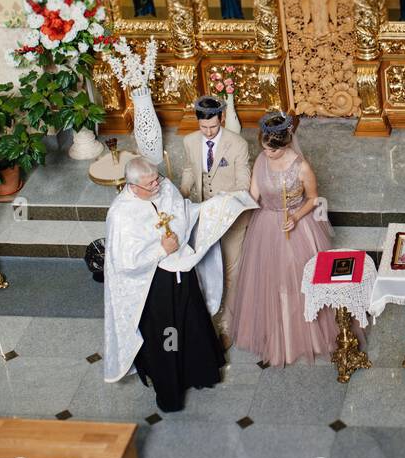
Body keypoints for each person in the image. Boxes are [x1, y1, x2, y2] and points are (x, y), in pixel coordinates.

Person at [102, 157, 228, 412]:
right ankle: (170, 390)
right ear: (134, 186)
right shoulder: (121, 215)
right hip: (153, 284)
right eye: (150, 184)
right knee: (166, 334)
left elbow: (181, 211)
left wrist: (203, 216)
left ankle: (200, 374)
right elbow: (125, 262)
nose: (157, 185)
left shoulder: (164, 186)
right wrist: (160, 250)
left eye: (156, 178)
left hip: (182, 270)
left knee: (192, 321)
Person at [228, 110, 345, 366]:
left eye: (273, 150)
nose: (268, 154)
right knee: (270, 282)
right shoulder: (261, 160)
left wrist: (295, 216)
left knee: (296, 282)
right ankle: (275, 339)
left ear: (286, 143)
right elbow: (254, 196)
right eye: (265, 149)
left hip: (296, 225)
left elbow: (313, 198)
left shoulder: (301, 166)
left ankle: (302, 338)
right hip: (266, 225)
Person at [180, 96, 251, 348]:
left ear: (221, 118)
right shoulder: (189, 141)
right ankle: (205, 316)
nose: (208, 132)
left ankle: (228, 325)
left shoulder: (238, 144)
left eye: (213, 126)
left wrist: (221, 202)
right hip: (203, 216)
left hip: (231, 217)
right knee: (205, 267)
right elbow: (189, 169)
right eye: (203, 127)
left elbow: (243, 182)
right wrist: (183, 190)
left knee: (231, 271)